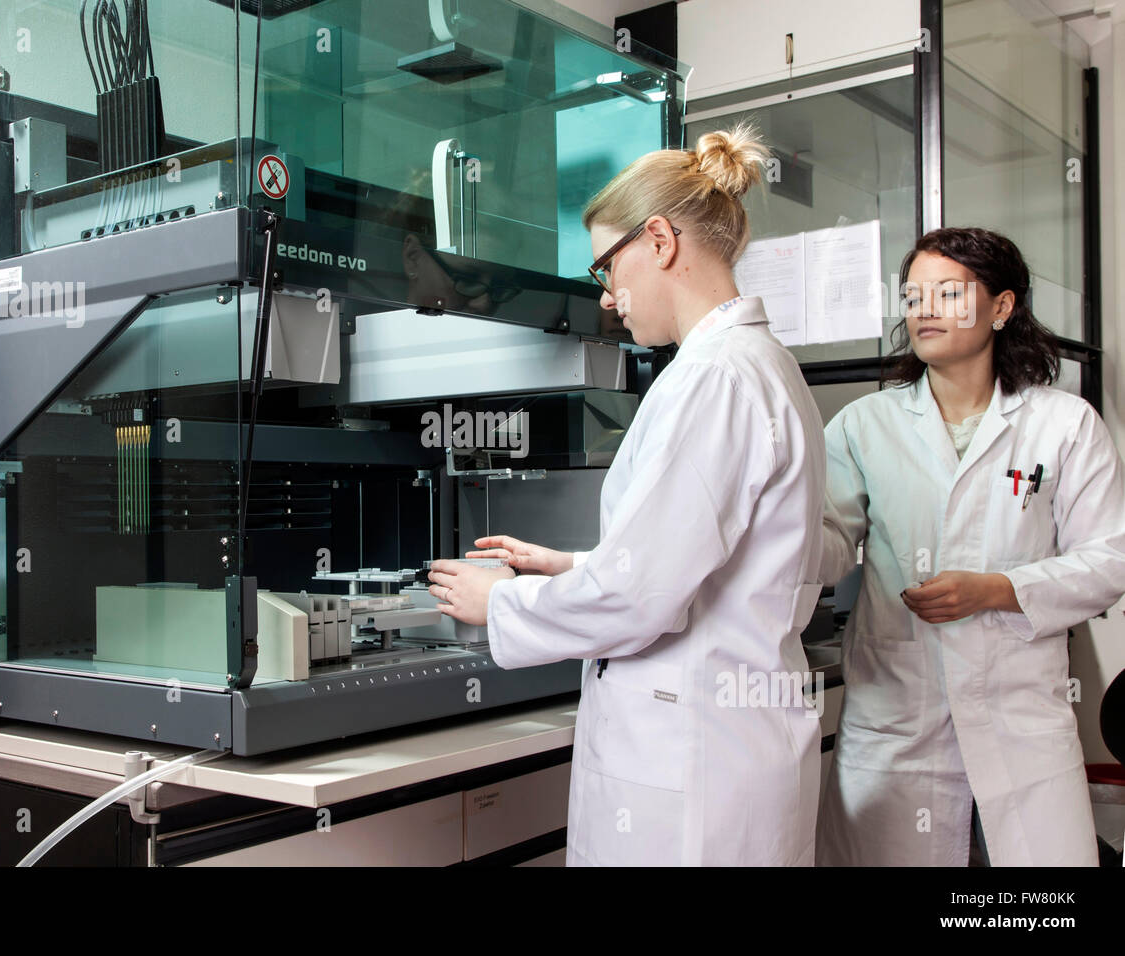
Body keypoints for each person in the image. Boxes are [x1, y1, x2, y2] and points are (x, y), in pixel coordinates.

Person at [426, 127, 827, 866]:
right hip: (726, 743)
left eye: (607, 268)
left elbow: (643, 596)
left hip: (694, 764)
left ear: (660, 240)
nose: (609, 299)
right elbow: (701, 563)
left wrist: (500, 604)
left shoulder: (716, 379)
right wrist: (577, 567)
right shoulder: (757, 365)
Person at [817, 226, 1125, 866]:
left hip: (1021, 722)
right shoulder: (862, 426)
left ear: (1002, 307)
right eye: (913, 296)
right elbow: (824, 547)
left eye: (948, 294)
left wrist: (1000, 590)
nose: (923, 310)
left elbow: (1110, 557)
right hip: (898, 720)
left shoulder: (1063, 424)